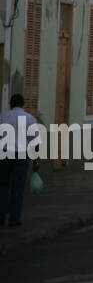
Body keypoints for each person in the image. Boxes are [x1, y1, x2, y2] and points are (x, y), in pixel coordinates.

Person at [0, 95, 40, 226]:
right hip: (22, 155)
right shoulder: (29, 118)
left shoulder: (3, 116)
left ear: (10, 104)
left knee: (3, 186)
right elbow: (35, 141)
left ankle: (1, 217)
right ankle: (14, 218)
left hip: (4, 154)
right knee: (18, 188)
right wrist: (36, 162)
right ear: (23, 105)